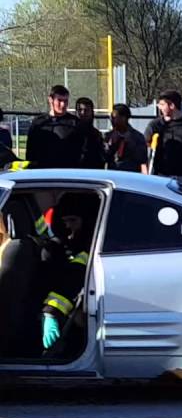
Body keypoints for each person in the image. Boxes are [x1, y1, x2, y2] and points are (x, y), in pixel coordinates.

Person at [37, 195, 96, 354]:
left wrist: (51, 312)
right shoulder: (61, 246)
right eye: (64, 222)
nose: (68, 226)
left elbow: (73, 278)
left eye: (73, 220)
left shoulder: (89, 247)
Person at [144, 90, 182, 188]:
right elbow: (145, 146)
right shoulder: (155, 125)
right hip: (161, 177)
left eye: (162, 105)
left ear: (172, 105)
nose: (159, 107)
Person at [26, 85, 84, 169]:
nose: (63, 104)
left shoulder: (75, 123)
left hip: (67, 171)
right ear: (50, 100)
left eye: (65, 101)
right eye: (59, 100)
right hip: (42, 171)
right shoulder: (38, 123)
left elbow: (81, 151)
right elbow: (30, 151)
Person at [105, 105, 148, 173]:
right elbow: (104, 157)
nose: (112, 120)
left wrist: (130, 143)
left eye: (115, 118)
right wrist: (111, 145)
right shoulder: (108, 136)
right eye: (111, 118)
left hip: (131, 173)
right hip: (113, 173)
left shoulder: (137, 137)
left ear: (124, 118)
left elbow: (142, 159)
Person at [74, 97, 106, 169]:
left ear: (92, 112)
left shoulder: (96, 135)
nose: (83, 113)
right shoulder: (70, 132)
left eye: (86, 110)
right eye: (80, 110)